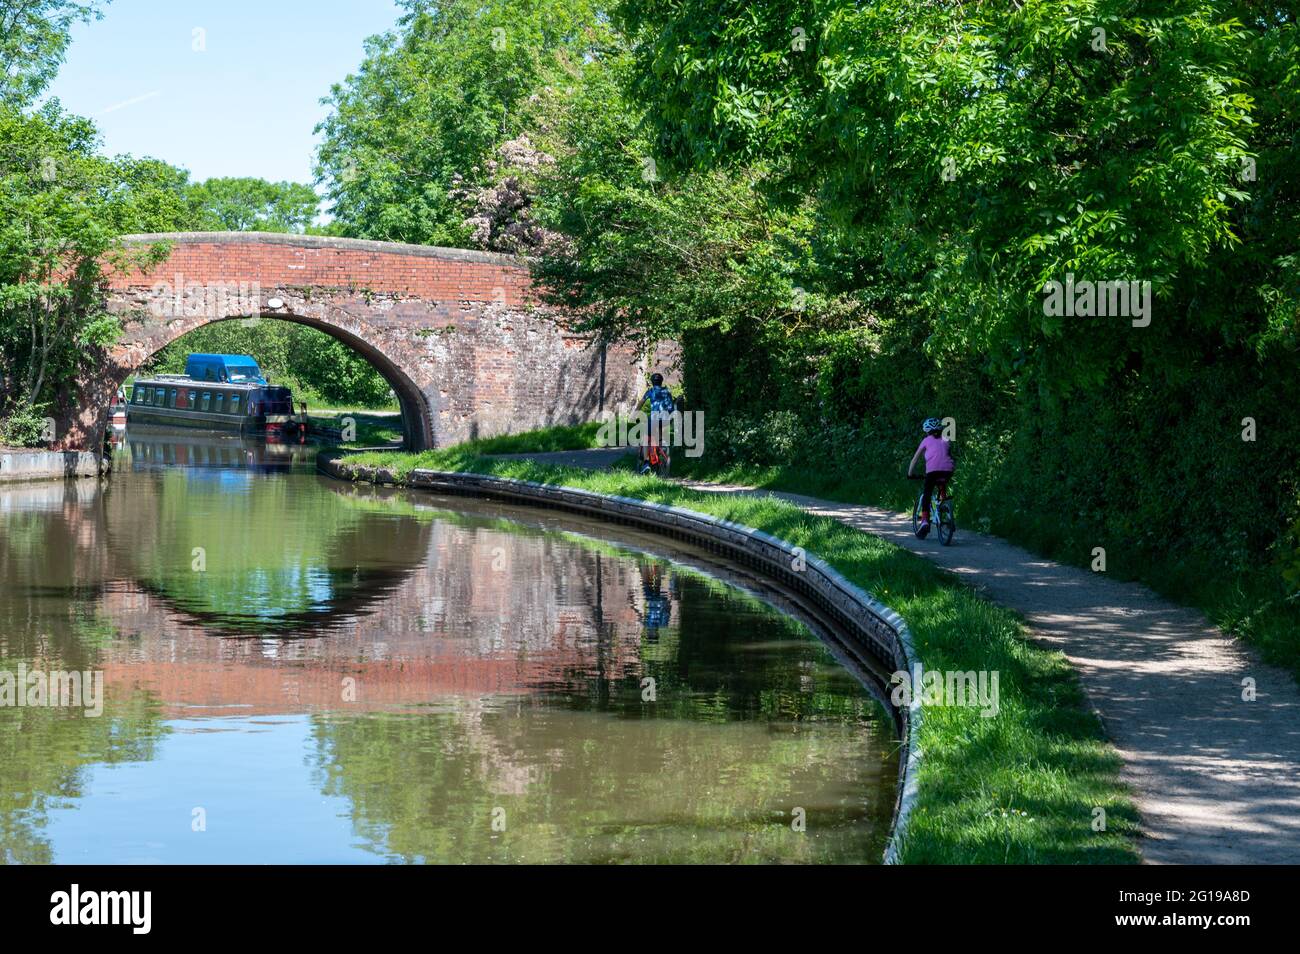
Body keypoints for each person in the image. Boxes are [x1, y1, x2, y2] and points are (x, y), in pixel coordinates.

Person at [907, 417, 955, 538]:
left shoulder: (926, 440)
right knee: (942, 483)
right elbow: (946, 455)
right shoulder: (946, 438)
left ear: (927, 431)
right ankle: (946, 509)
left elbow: (915, 459)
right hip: (948, 471)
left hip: (932, 472)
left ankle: (924, 521)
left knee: (927, 494)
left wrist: (910, 474)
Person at [640, 373, 676, 467]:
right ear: (661, 382)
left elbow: (641, 402)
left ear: (652, 382)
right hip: (666, 417)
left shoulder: (650, 391)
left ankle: (646, 463)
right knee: (659, 437)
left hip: (654, 418)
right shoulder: (667, 391)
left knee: (645, 439)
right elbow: (671, 407)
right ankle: (661, 450)